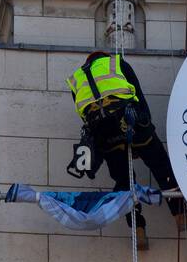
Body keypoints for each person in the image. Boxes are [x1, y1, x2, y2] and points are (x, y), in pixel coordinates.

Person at [65, 51, 178, 249]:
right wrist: (145, 124)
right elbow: (139, 97)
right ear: (104, 57)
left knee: (124, 181)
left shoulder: (76, 79)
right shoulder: (116, 63)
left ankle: (137, 228)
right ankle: (179, 215)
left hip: (104, 134)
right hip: (129, 122)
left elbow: (84, 116)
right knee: (160, 164)